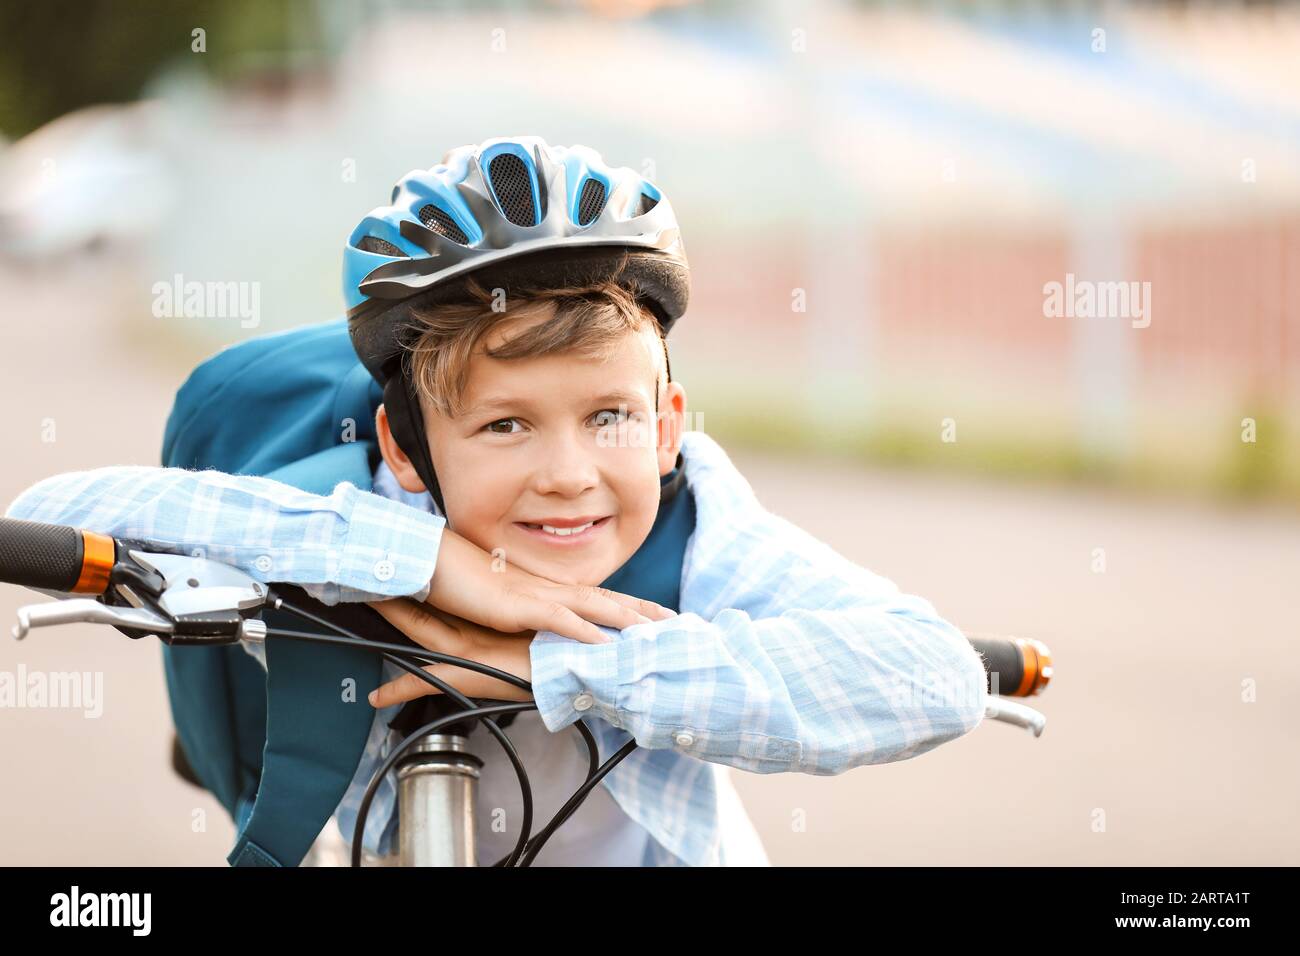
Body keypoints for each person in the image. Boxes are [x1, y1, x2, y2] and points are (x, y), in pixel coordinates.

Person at [5, 137, 988, 866]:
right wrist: (428, 563)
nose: (568, 473)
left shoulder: (694, 527)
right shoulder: (364, 498)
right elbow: (65, 509)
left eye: (608, 415)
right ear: (406, 446)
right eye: (505, 425)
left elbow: (938, 674)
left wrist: (558, 664)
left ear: (666, 422)